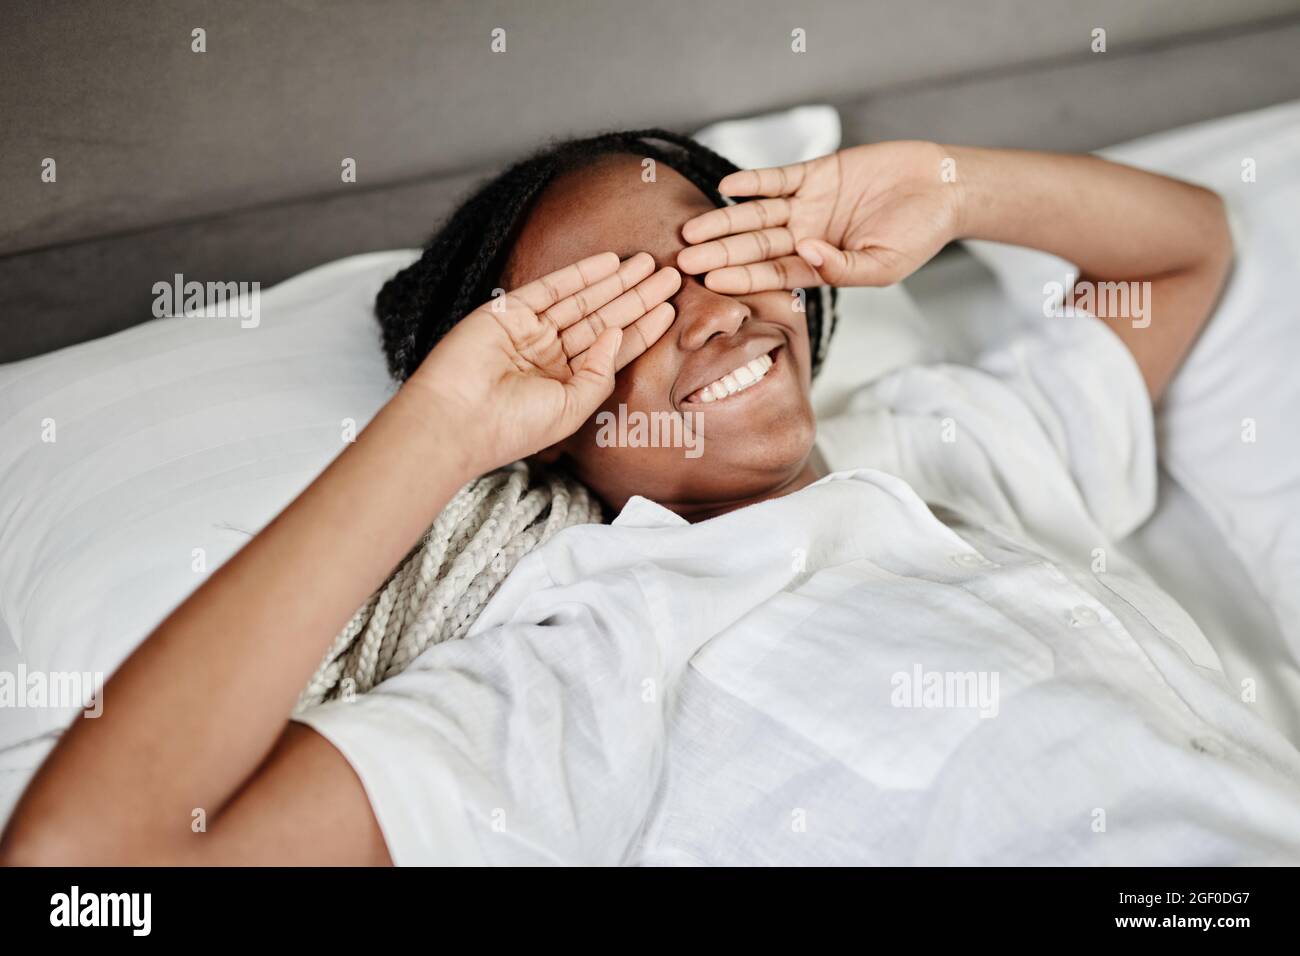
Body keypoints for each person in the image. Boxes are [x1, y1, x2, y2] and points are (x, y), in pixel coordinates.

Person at [8, 129, 1297, 867]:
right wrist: (441, 430)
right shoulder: (590, 655)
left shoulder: (940, 450)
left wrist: (954, 189)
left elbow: (1185, 252)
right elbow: (89, 868)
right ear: (549, 432)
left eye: (718, 248)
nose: (714, 309)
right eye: (622, 310)